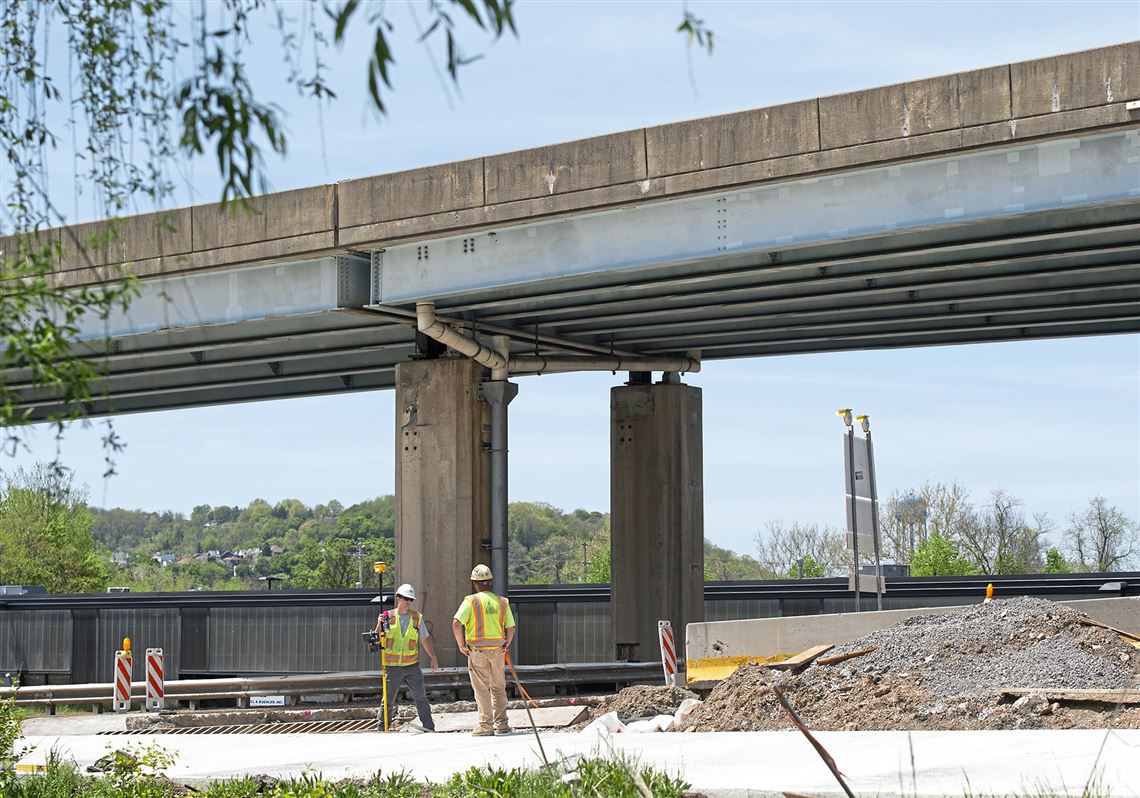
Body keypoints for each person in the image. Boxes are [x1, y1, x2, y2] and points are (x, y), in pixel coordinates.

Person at [452, 563, 515, 736]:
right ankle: (502, 725)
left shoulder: (470, 602)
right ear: (491, 582)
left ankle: (486, 726)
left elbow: (456, 623)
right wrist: (506, 644)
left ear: (475, 583)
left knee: (481, 689)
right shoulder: (502, 602)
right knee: (498, 688)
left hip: (477, 652)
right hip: (497, 651)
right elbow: (511, 627)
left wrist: (461, 645)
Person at [376, 582, 439, 731]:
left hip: (412, 666)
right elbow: (379, 638)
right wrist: (379, 624)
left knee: (421, 698)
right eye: (406, 599)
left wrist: (433, 657)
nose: (408, 602)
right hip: (392, 667)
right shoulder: (387, 617)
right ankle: (382, 727)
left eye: (411, 600)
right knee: (388, 700)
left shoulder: (416, 618)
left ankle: (429, 727)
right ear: (398, 598)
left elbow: (424, 639)